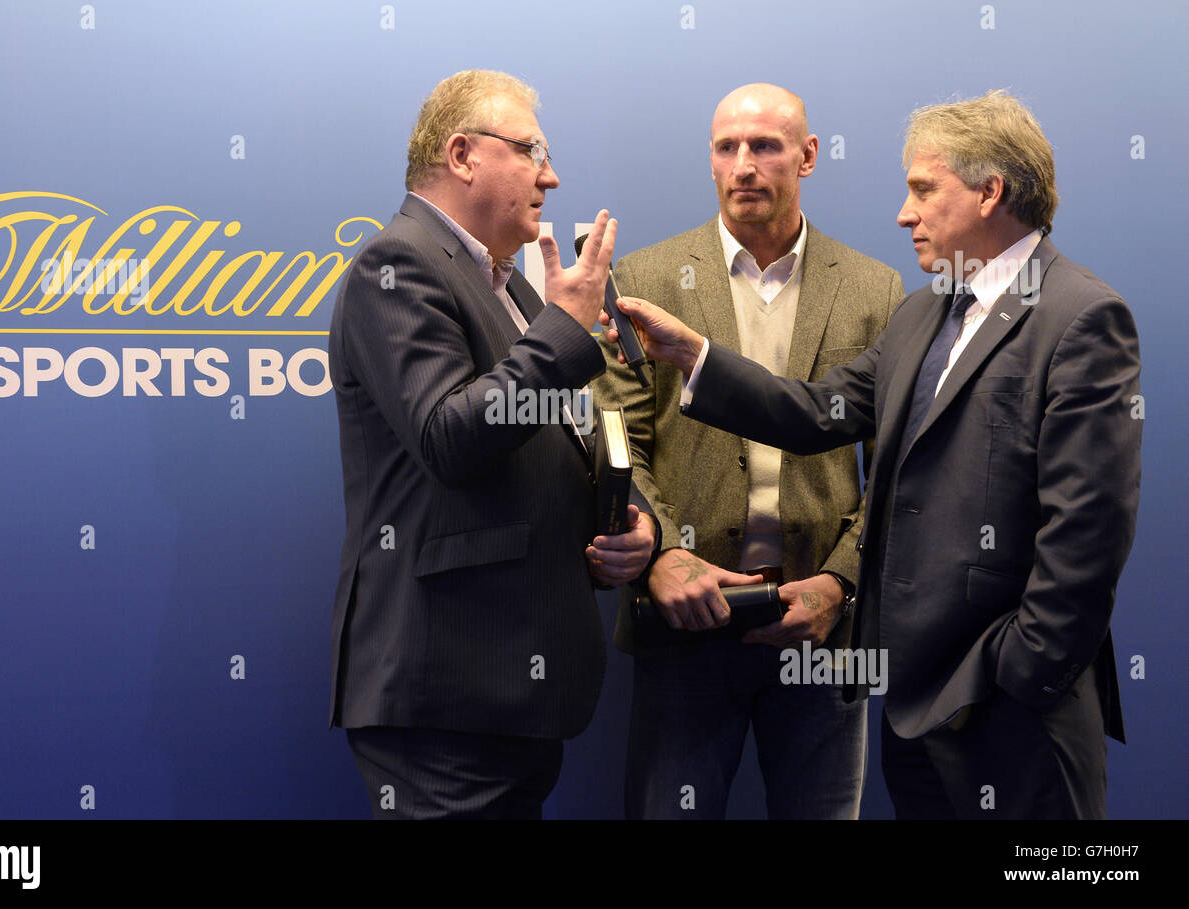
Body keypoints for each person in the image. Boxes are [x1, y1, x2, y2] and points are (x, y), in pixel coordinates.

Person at [606, 90, 1140, 819]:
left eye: (923, 190)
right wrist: (694, 355)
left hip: (1013, 713)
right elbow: (813, 410)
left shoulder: (1079, 316)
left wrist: (1020, 677)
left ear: (990, 193)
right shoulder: (925, 311)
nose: (903, 213)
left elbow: (1088, 533)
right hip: (916, 713)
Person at [328, 70, 657, 819]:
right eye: (532, 149)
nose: (552, 173)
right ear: (463, 154)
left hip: (511, 691)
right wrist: (565, 332)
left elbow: (557, 434)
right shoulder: (398, 264)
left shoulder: (511, 285)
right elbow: (448, 435)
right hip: (446, 692)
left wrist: (628, 520)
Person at [591, 83, 903, 819]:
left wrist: (840, 583)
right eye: (726, 147)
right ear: (709, 158)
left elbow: (894, 470)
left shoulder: (873, 288)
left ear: (808, 155)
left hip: (820, 627)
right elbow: (616, 445)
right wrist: (665, 554)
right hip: (685, 624)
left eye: (765, 146)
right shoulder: (644, 279)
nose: (744, 165)